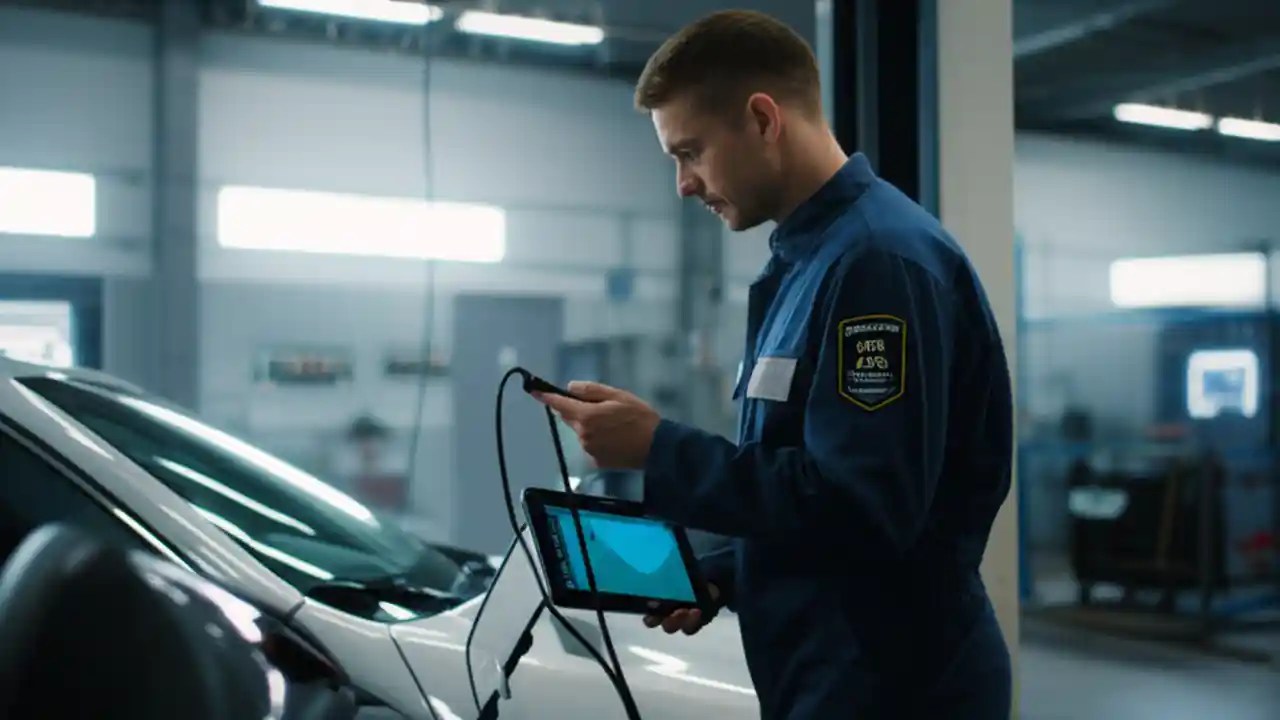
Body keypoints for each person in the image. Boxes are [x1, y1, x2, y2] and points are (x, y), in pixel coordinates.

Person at [533, 9, 1013, 720]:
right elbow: (811, 485)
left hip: (893, 684)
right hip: (838, 670)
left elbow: (864, 507)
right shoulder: (811, 261)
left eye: (689, 152)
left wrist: (660, 449)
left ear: (762, 119)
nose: (683, 185)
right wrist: (725, 571)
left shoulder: (875, 263)